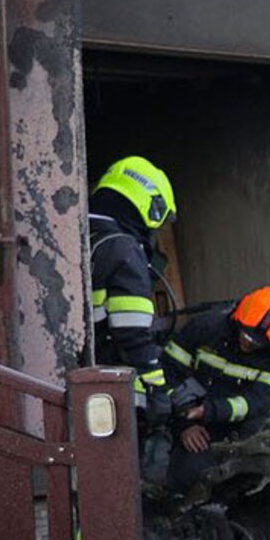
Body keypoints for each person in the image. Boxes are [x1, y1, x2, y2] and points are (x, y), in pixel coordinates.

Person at [159, 286, 270, 493]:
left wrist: (210, 410)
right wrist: (184, 423)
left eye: (256, 343)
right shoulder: (206, 328)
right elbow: (168, 372)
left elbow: (255, 403)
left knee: (254, 483)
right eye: (245, 334)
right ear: (237, 317)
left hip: (242, 431)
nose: (247, 342)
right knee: (187, 478)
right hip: (194, 421)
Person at [89, 155, 177, 411]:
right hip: (116, 394)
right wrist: (157, 389)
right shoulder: (123, 248)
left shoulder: (86, 235)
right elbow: (133, 333)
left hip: (86, 376)